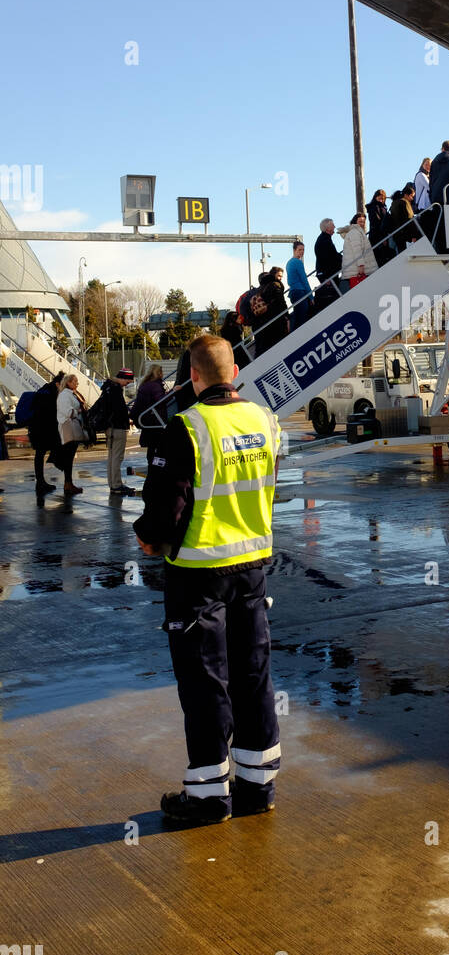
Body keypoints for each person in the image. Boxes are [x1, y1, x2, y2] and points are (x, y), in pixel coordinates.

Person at [133, 334, 282, 824]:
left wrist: (149, 539)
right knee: (252, 674)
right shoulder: (264, 421)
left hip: (198, 575)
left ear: (193, 377)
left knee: (205, 683)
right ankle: (257, 789)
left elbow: (166, 507)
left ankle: (207, 797)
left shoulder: (187, 428)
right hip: (253, 568)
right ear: (234, 371)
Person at [28, 372, 65, 497]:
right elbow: (50, 414)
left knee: (40, 454)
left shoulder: (46, 391)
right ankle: (40, 483)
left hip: (38, 429)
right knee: (40, 454)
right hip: (41, 430)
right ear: (57, 384)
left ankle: (41, 482)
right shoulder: (48, 394)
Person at [101, 367, 136, 496]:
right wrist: (128, 419)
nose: (128, 384)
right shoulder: (115, 390)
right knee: (117, 457)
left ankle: (113, 484)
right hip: (117, 427)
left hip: (110, 427)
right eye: (128, 381)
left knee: (111, 457)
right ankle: (116, 485)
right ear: (122, 378)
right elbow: (118, 411)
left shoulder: (107, 388)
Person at [56, 374, 87, 495]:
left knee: (70, 456)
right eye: (75, 381)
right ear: (68, 382)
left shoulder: (70, 394)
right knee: (68, 456)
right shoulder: (64, 395)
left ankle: (68, 483)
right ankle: (68, 483)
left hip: (72, 426)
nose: (77, 383)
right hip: (67, 426)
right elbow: (67, 411)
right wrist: (78, 411)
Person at [131, 365, 169, 461]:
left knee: (152, 447)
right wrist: (173, 392)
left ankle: (152, 467)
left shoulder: (145, 384)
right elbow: (160, 400)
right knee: (159, 446)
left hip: (148, 419)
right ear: (159, 373)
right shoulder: (155, 385)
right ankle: (157, 468)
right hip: (155, 419)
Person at [251, 268, 289, 358]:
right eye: (279, 276)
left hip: (264, 324)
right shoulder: (275, 285)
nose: (280, 278)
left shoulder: (261, 288)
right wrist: (287, 317)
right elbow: (281, 303)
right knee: (280, 349)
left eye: (281, 276)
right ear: (273, 275)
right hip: (277, 322)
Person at [339, 212, 378, 287]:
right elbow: (357, 250)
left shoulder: (357, 232)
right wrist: (361, 265)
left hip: (355, 270)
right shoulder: (355, 232)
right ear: (355, 222)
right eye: (360, 221)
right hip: (357, 271)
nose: (362, 223)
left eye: (363, 222)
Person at [314, 217, 342, 307]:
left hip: (328, 274)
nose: (334, 227)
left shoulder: (325, 239)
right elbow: (326, 259)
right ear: (327, 228)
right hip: (328, 276)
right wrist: (326, 277)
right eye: (332, 225)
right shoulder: (324, 240)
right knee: (333, 300)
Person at [386, 184, 422, 254]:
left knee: (400, 253)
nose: (412, 199)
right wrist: (414, 235)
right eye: (411, 196)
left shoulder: (394, 203)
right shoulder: (405, 202)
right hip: (405, 234)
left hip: (397, 233)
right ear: (406, 195)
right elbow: (410, 219)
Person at [286, 242, 313, 329]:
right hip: (299, 292)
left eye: (303, 250)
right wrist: (311, 296)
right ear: (294, 250)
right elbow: (304, 280)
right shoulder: (298, 262)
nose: (302, 252)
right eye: (299, 250)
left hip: (293, 292)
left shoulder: (289, 262)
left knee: (297, 317)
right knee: (302, 318)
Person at [366, 190, 391, 267]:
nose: (381, 199)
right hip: (378, 236)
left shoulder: (382, 207)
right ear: (375, 197)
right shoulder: (374, 207)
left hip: (379, 235)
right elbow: (377, 223)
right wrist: (383, 237)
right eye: (379, 197)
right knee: (380, 258)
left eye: (382, 198)